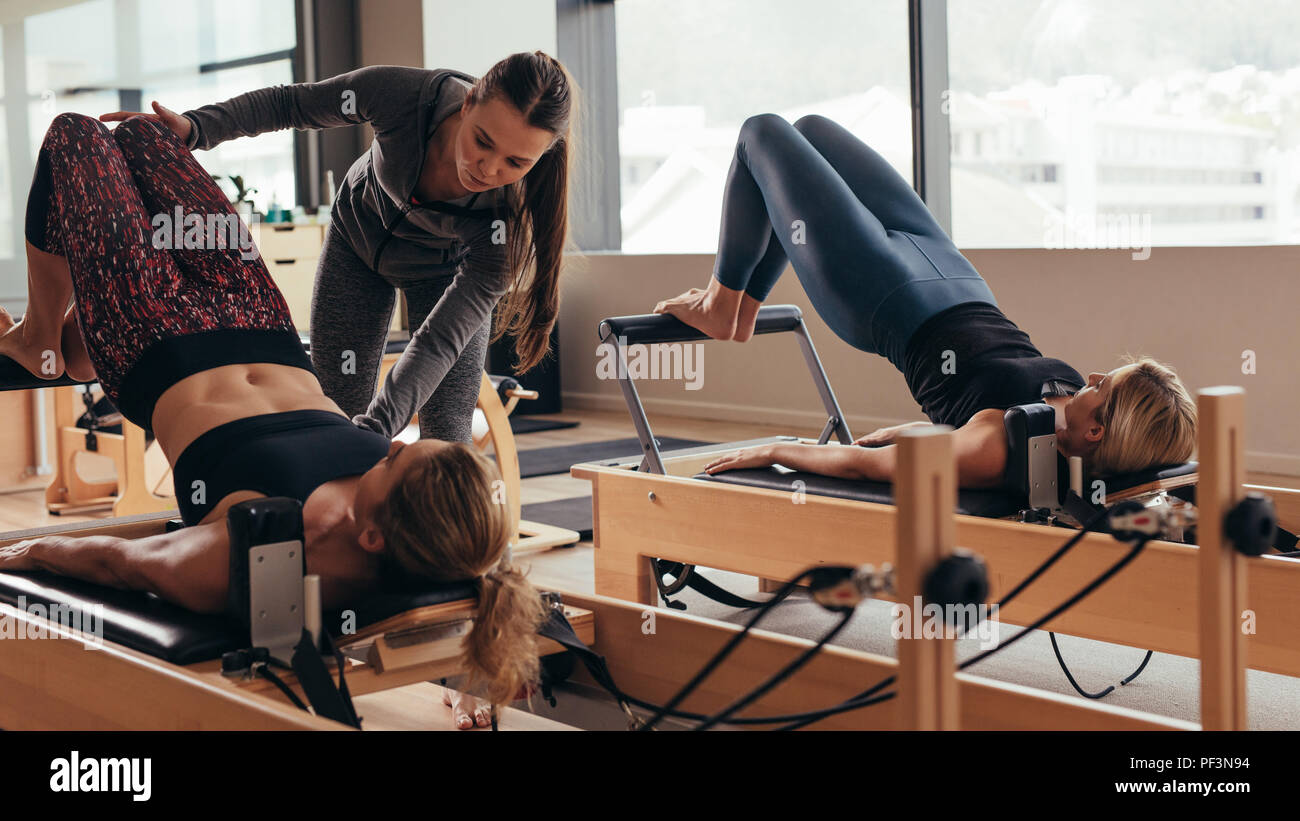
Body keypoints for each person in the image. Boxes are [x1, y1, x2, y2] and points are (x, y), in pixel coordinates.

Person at [0, 111, 542, 728]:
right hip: (261, 321)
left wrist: (33, 549)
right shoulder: (436, 521)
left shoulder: (265, 548)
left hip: (155, 340)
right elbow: (477, 557)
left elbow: (120, 562)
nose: (386, 445)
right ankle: (67, 340)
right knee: (144, 137)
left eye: (390, 459)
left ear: (371, 536)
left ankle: (43, 334)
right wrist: (468, 666)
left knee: (76, 134)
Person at [654, 114, 1196, 485]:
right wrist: (920, 429)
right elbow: (953, 425)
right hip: (950, 272)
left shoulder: (1002, 446)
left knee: (761, 134)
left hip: (882, 297)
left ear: (1096, 431)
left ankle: (724, 307)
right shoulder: (1064, 410)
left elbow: (872, 467)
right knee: (811, 133)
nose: (1095, 375)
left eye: (1103, 387)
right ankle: (739, 309)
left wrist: (776, 451)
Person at [99, 50, 577, 443]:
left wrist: (378, 430)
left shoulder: (506, 220)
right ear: (469, 103)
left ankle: (447, 554)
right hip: (357, 244)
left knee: (445, 436)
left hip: (445, 273)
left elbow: (435, 342)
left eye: (516, 161)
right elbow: (292, 104)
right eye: (482, 141)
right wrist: (198, 128)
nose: (487, 170)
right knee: (333, 407)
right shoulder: (405, 96)